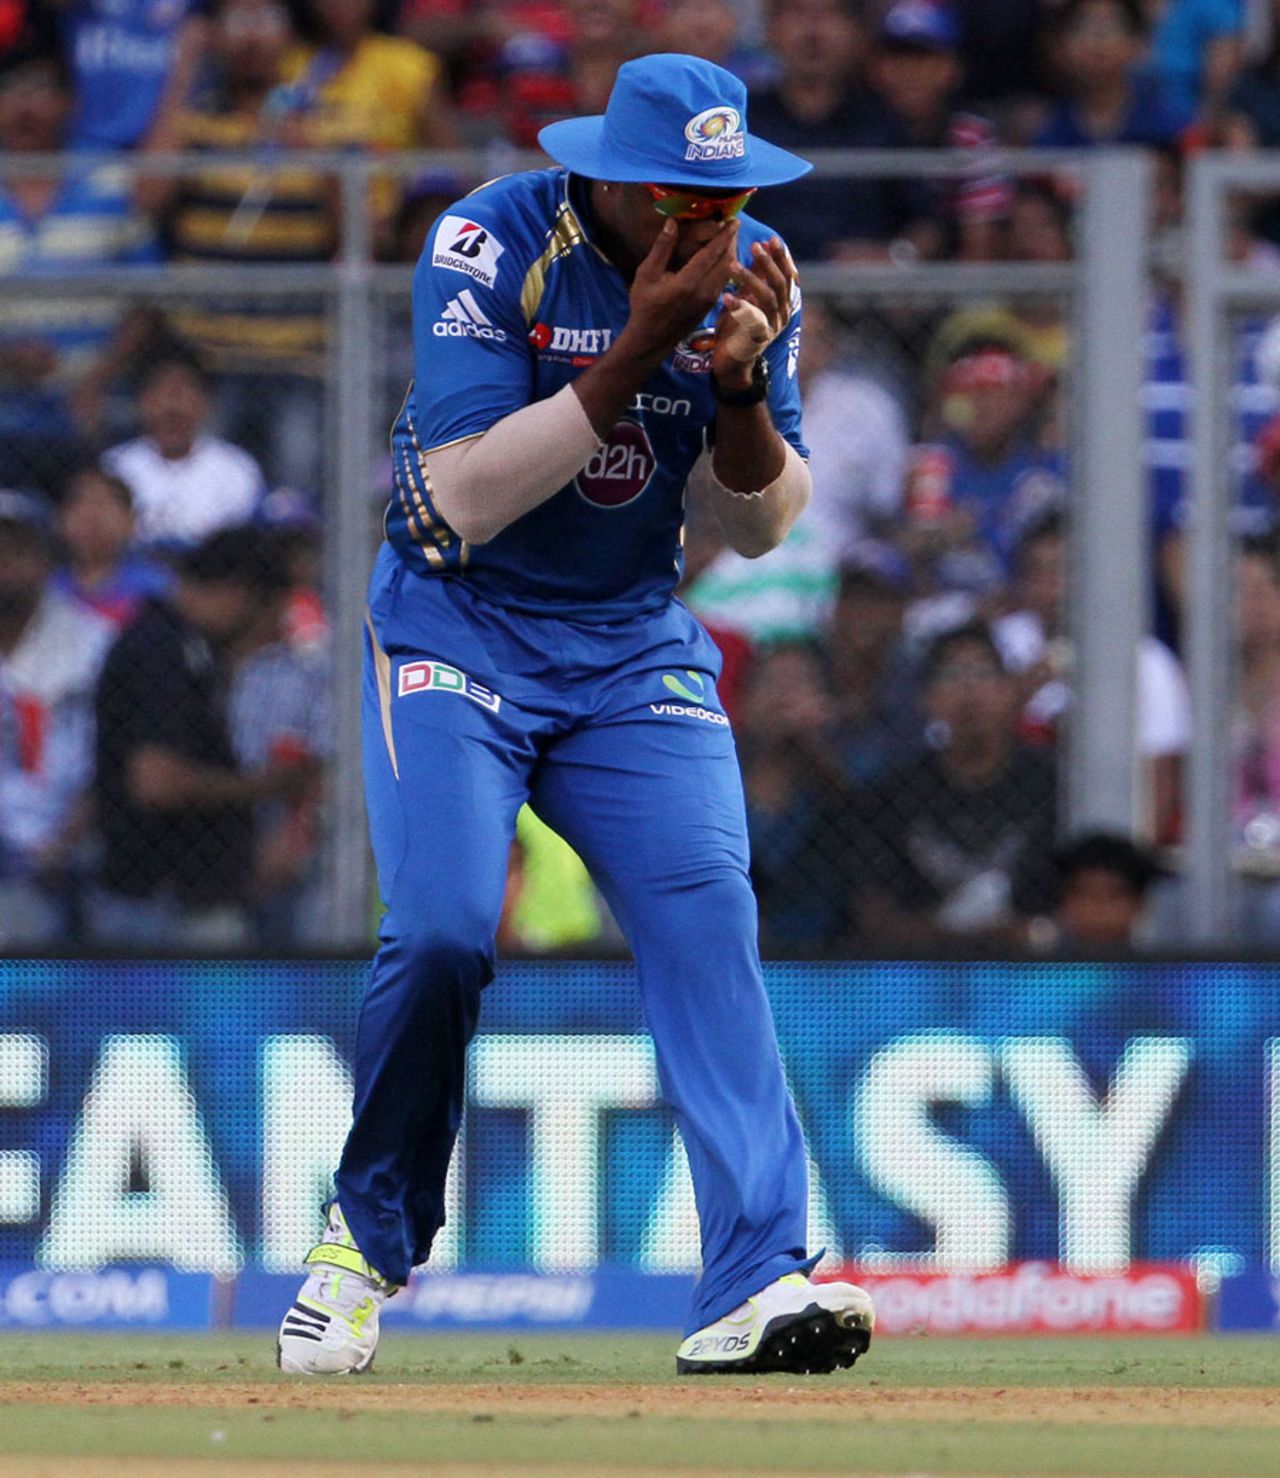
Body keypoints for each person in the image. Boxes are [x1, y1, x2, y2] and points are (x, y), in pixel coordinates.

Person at [276, 53, 874, 1379]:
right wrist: (643, 350)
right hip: (459, 624)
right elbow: (465, 499)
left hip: (626, 651)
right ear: (608, 175)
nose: (708, 223)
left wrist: (732, 394)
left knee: (710, 915)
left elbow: (761, 527)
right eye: (682, 196)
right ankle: (362, 1245)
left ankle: (757, 1277)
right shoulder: (490, 239)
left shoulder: (753, 256)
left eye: (724, 196)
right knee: (438, 931)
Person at [91, 525, 315, 947]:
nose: (271, 633)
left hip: (173, 895)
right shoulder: (162, 648)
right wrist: (271, 784)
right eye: (270, 615)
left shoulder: (185, 647)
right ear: (239, 593)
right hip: (162, 902)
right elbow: (155, 781)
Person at [835, 622, 1059, 949]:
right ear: (927, 699)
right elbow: (874, 914)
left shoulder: (1049, 786)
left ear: (1011, 691)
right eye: (950, 675)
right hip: (919, 974)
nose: (969, 690)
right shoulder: (894, 794)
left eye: (983, 673)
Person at [0, 42, 159, 494]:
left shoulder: (110, 180)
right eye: (12, 91)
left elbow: (148, 303)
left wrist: (95, 379)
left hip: (94, 419)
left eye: (40, 90)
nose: (26, 105)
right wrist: (6, 356)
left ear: (68, 102)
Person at [0, 490, 113, 945]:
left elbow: (114, 757)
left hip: (74, 849)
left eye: (17, 550)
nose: (4, 564)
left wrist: (63, 842)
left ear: (45, 560)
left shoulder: (92, 640)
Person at [103, 352, 266, 552]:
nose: (172, 406)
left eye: (183, 392)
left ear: (207, 403)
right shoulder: (114, 466)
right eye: (160, 392)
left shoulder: (237, 467)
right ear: (141, 403)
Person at [1035, 0, 1185, 148]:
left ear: (1136, 43)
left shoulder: (1169, 126)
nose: (1097, 41)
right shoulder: (1049, 131)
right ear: (1063, 45)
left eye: (1109, 27)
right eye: (1083, 27)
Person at [51, 465, 171, 627]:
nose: (90, 514)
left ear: (130, 521)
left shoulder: (157, 586)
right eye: (78, 503)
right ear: (60, 521)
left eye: (104, 503)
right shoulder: (46, 589)